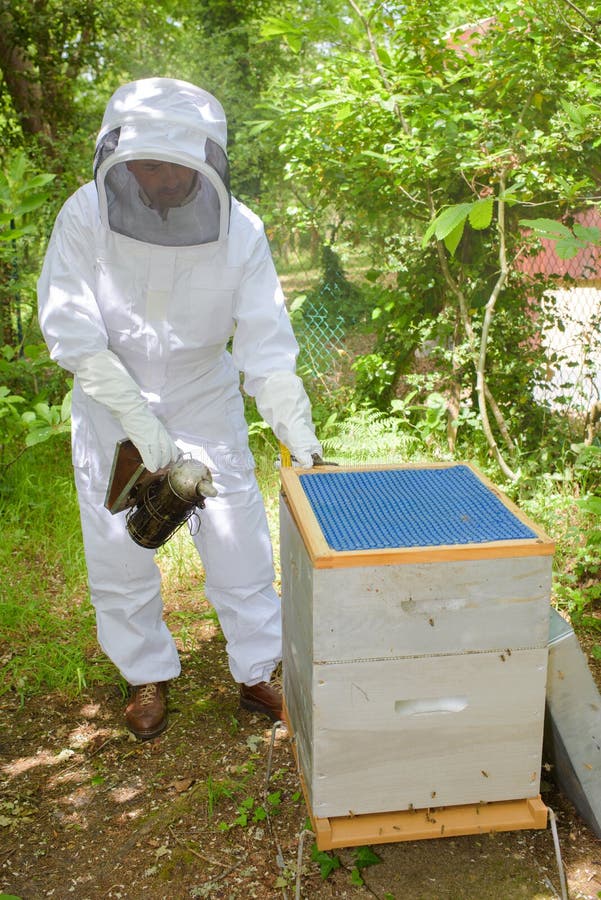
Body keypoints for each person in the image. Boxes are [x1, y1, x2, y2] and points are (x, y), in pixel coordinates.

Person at [37, 77, 322, 740]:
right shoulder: (86, 215)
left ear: (202, 157)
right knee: (117, 544)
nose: (151, 176)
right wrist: (137, 420)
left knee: (236, 537)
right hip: (111, 399)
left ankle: (258, 672)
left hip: (202, 392)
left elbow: (265, 345)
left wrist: (296, 428)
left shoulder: (240, 230)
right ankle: (144, 673)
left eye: (166, 164)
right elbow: (73, 330)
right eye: (140, 162)